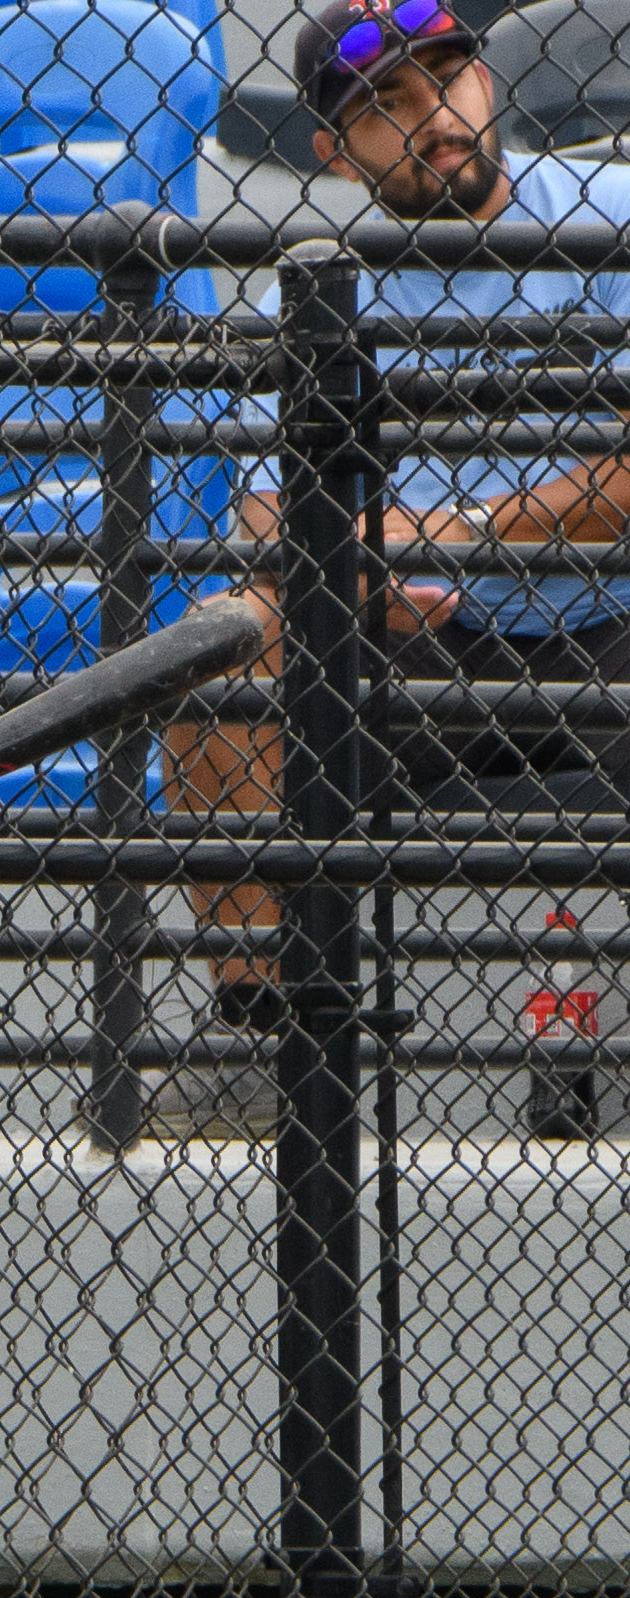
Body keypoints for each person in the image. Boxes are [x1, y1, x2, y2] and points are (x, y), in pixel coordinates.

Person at [156, 0, 630, 1135]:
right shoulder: (318, 289)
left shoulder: (615, 218)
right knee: (226, 639)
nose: (436, 120)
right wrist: (346, 563)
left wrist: (445, 532)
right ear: (336, 150)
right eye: (390, 108)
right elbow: (270, 513)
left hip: (613, 615)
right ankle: (257, 1033)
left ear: (490, 87)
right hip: (428, 643)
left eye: (449, 83)